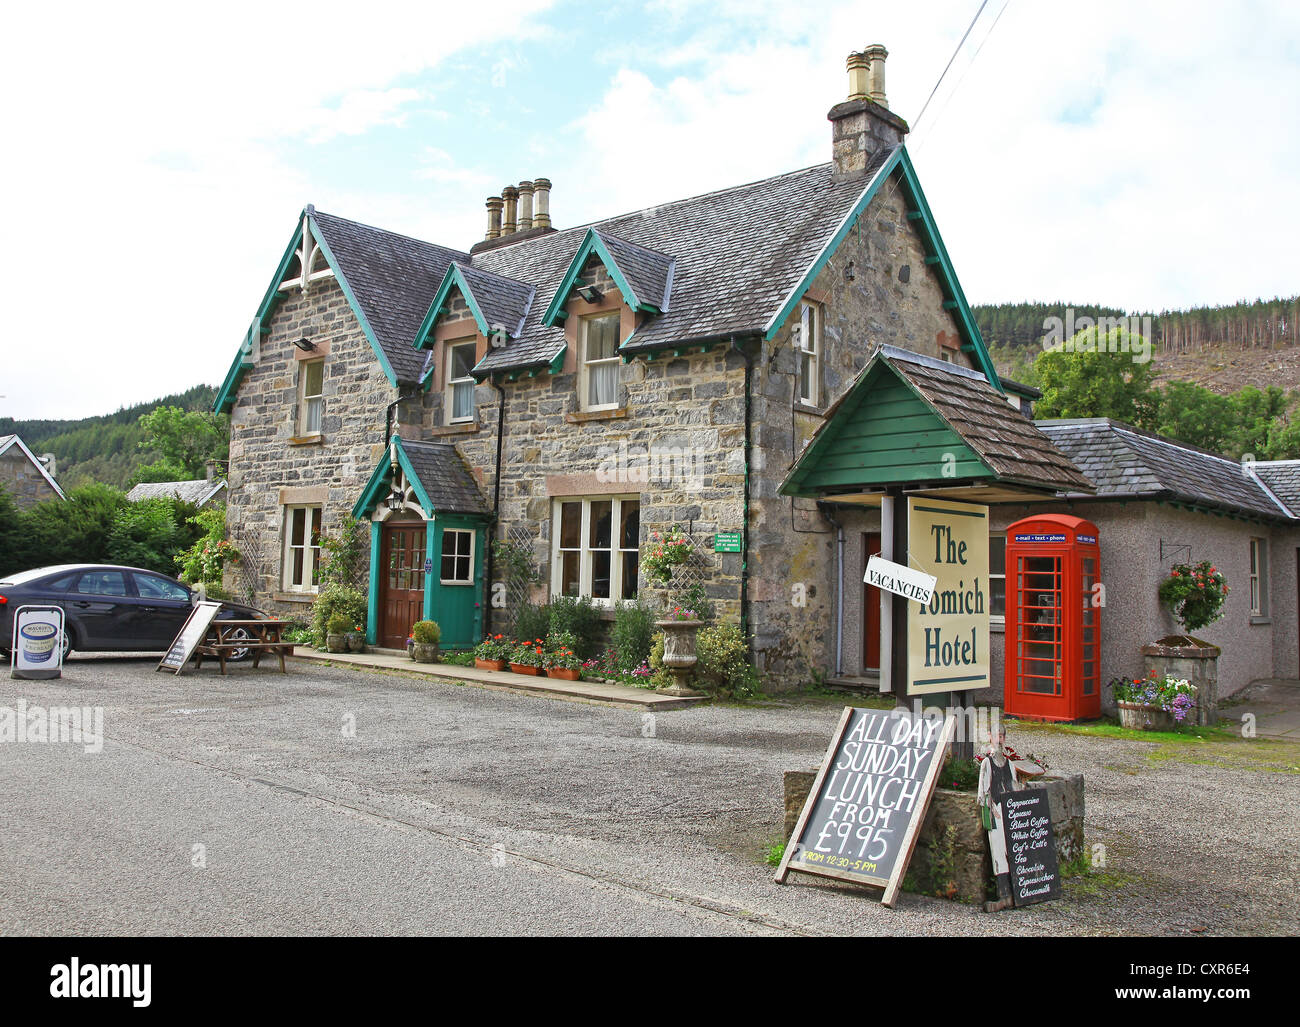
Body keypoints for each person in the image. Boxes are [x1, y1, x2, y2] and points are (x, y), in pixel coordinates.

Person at [977, 722, 1019, 912]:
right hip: (996, 812)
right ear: (990, 737)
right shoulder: (987, 763)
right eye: (996, 735)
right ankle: (1003, 893)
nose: (999, 739)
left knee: (1012, 850)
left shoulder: (1010, 764)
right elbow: (983, 792)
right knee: (998, 852)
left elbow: (1014, 787)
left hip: (1009, 811)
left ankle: (1016, 891)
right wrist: (991, 807)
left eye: (1002, 736)